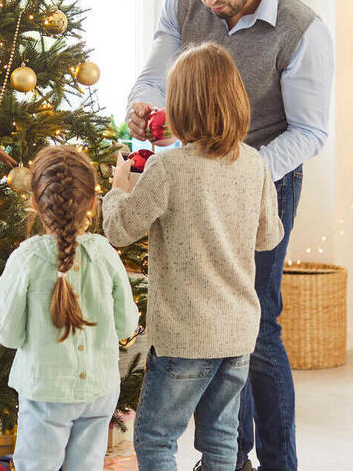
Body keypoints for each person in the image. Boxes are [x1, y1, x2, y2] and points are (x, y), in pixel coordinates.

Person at [126, 0, 333, 471]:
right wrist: (141, 105)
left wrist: (241, 170)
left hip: (266, 174)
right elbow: (154, 71)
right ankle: (228, 459)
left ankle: (278, 462)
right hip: (195, 170)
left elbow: (310, 131)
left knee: (256, 323)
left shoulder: (302, 30)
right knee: (217, 324)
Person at [104, 42, 284, 471]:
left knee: (155, 437)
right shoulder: (255, 164)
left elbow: (118, 229)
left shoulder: (169, 169)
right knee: (222, 439)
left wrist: (118, 187)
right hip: (238, 334)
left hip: (185, 337)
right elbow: (268, 237)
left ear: (180, 107)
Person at [0, 146, 140, 471]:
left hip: (45, 390)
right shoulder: (105, 254)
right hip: (99, 390)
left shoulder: (27, 258)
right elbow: (128, 325)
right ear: (90, 203)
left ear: (34, 202)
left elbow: (8, 333)